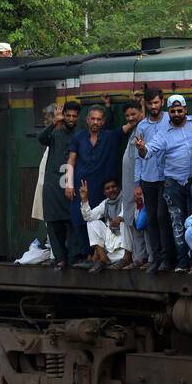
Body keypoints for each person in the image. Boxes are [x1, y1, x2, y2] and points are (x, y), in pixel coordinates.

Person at [146, 94, 192, 272]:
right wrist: (140, 148)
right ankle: (182, 262)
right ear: (168, 113)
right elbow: (147, 151)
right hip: (173, 184)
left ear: (185, 110)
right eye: (173, 111)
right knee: (177, 223)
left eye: (179, 110)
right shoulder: (162, 133)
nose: (176, 114)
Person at [66, 101, 126, 266]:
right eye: (92, 119)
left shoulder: (109, 136)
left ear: (103, 121)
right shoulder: (79, 137)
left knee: (97, 219)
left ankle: (99, 254)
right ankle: (87, 254)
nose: (95, 122)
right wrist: (69, 184)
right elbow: (71, 160)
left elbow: (128, 127)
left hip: (100, 188)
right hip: (80, 186)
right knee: (78, 219)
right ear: (87, 120)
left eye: (99, 119)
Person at [133, 87, 174, 272]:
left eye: (156, 102)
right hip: (148, 178)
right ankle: (155, 259)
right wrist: (136, 183)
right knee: (151, 219)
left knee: (162, 216)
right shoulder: (142, 126)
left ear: (162, 102)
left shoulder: (170, 119)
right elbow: (137, 156)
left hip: (167, 176)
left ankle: (167, 259)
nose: (153, 106)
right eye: (150, 103)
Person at [38, 101, 81, 270]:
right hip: (52, 184)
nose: (70, 118)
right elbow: (41, 138)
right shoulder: (55, 133)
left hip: (70, 183)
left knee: (72, 222)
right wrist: (54, 122)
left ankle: (72, 258)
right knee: (53, 222)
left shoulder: (79, 134)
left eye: (74, 116)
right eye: (68, 115)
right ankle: (60, 259)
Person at [118, 99, 147, 268]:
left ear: (141, 113)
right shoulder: (134, 130)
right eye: (127, 115)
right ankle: (138, 257)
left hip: (138, 186)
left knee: (142, 222)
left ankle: (143, 258)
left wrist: (139, 186)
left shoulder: (143, 130)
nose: (130, 118)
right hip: (130, 187)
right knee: (133, 221)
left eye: (133, 114)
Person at [79, 179, 126, 272]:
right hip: (111, 239)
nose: (111, 190)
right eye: (107, 188)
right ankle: (103, 258)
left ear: (119, 188)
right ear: (104, 192)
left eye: (113, 187)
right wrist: (84, 199)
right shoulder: (105, 203)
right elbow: (88, 217)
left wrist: (120, 218)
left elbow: (125, 213)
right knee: (91, 222)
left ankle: (102, 260)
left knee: (125, 223)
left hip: (124, 239)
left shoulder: (125, 198)